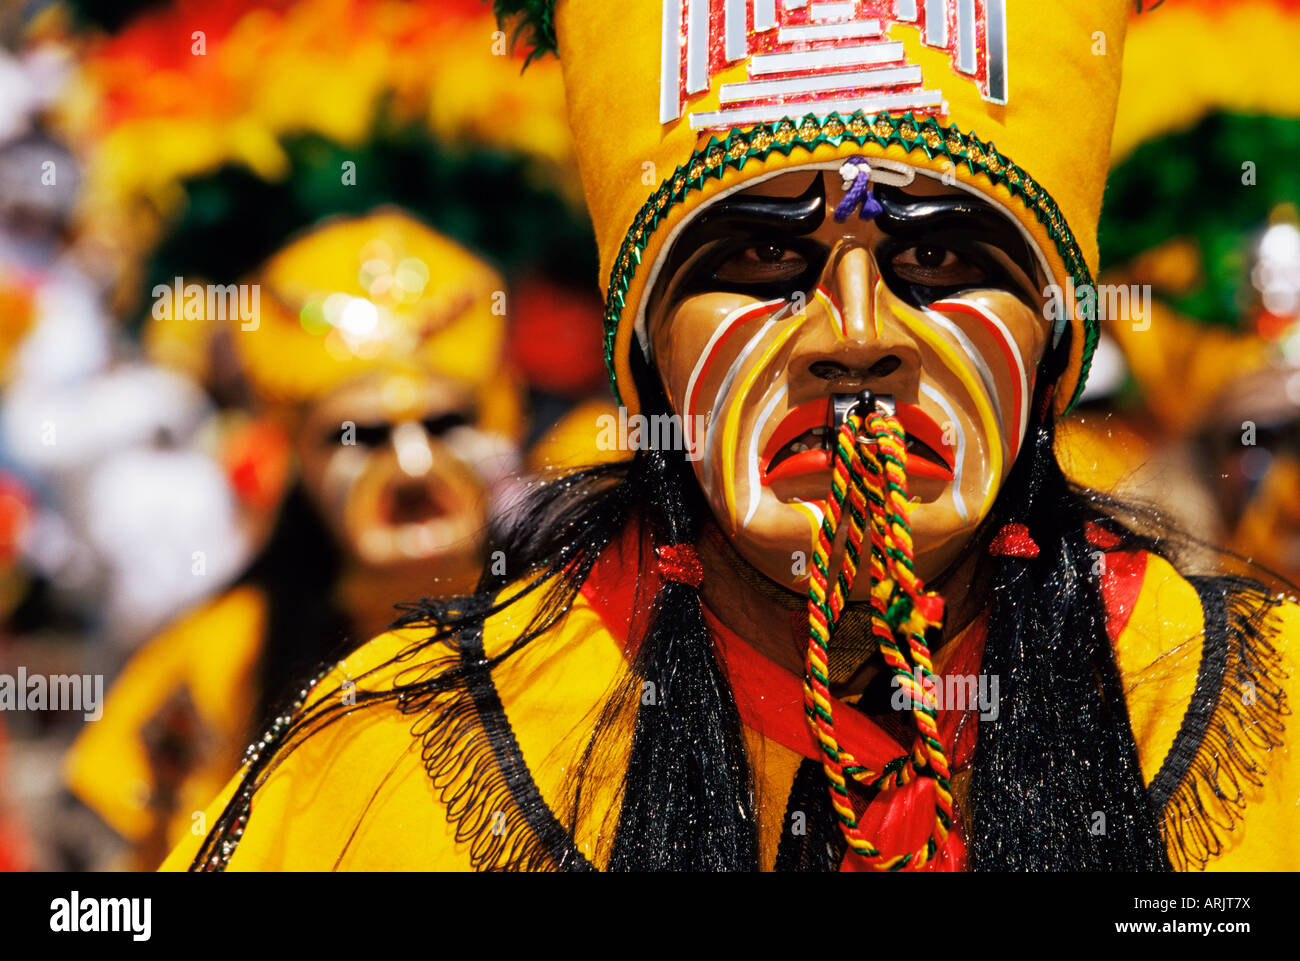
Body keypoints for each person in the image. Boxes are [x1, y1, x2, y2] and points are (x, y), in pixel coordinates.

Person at [167, 1, 1296, 872]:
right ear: (647, 350)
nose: (855, 337)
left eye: (940, 259)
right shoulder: (382, 763)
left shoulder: (1265, 715)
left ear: (1052, 350)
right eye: (761, 259)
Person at [69, 211, 525, 869]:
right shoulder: (220, 658)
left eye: (445, 422)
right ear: (298, 457)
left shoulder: (578, 623)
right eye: (362, 436)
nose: (415, 464)